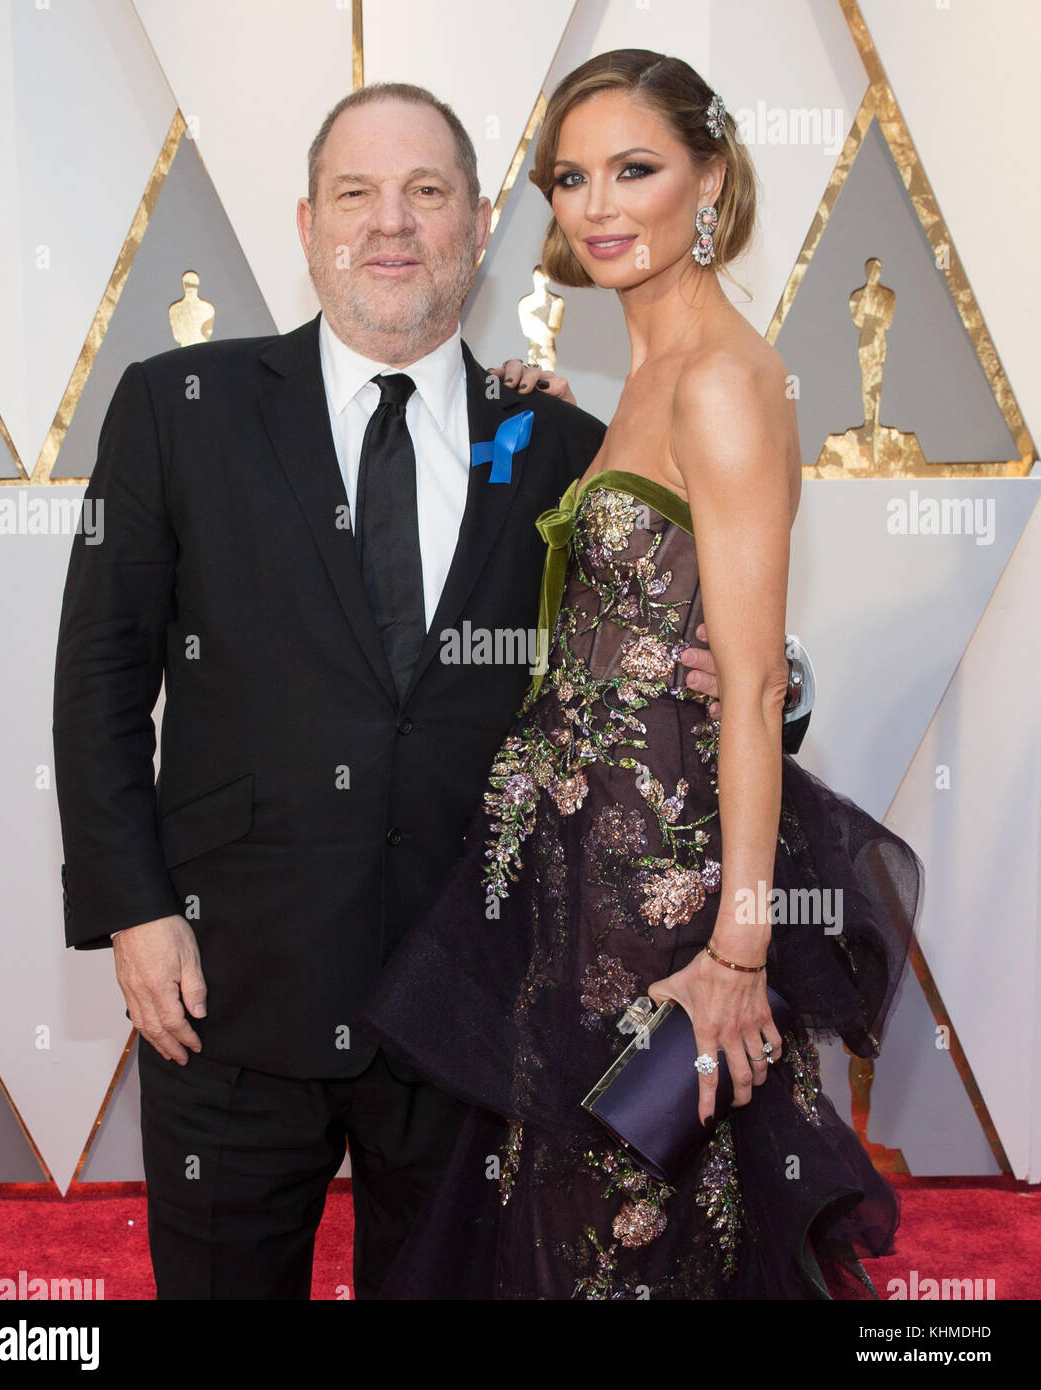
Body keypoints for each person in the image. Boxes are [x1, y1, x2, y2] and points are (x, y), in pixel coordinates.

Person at [55, 79, 786, 1301]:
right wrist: (133, 911)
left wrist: (775, 679)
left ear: (480, 221)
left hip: (475, 1007)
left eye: (426, 192)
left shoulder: (563, 445)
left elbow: (663, 647)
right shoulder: (180, 410)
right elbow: (99, 678)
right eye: (356, 194)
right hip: (228, 990)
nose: (390, 224)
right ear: (305, 224)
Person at [358, 51, 923, 1300]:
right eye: (570, 177)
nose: (597, 206)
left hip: (661, 876)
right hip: (580, 853)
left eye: (635, 170)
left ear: (709, 177)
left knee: (636, 1207)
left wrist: (734, 947)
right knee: (572, 1194)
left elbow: (753, 680)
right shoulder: (649, 376)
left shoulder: (721, 378)